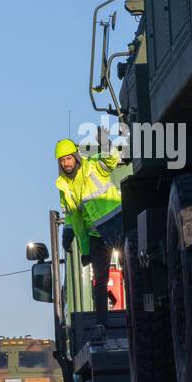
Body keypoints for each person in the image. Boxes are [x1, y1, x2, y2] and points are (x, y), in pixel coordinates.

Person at [54, 136, 120, 333]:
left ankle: (136, 313)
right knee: (99, 280)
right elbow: (70, 214)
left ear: (75, 157)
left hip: (115, 223)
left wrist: (106, 145)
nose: (66, 163)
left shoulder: (93, 167)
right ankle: (102, 323)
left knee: (131, 271)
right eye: (62, 160)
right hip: (95, 235)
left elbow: (111, 160)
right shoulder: (63, 185)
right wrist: (67, 231)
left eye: (68, 158)